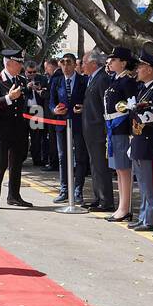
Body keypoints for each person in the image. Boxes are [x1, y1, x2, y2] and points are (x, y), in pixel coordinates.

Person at [0, 47, 33, 209]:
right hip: (1, 129)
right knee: (1, 163)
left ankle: (14, 196)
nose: (21, 65)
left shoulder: (21, 80)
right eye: (19, 62)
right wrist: (8, 98)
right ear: (10, 63)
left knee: (16, 163)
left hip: (18, 128)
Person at [102, 47, 140, 221]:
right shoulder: (115, 80)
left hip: (122, 127)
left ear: (123, 62)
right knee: (119, 169)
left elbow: (132, 107)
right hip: (113, 127)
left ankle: (125, 207)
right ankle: (122, 205)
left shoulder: (127, 81)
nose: (109, 62)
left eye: (114, 59)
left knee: (124, 169)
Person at [129, 50, 153, 232]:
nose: (138, 70)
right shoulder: (143, 89)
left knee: (152, 183)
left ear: (149, 69)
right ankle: (144, 216)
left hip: (149, 140)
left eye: (141, 66)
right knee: (142, 183)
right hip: (139, 139)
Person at [48, 52, 88, 203]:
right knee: (62, 156)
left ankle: (78, 190)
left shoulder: (83, 80)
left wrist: (84, 108)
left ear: (75, 64)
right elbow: (51, 102)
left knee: (79, 157)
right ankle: (64, 189)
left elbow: (88, 100)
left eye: (69, 62)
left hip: (78, 124)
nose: (65, 65)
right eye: (62, 62)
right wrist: (54, 110)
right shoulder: (56, 81)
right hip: (61, 124)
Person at [80, 49, 115, 212]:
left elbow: (105, 106)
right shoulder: (92, 78)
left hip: (99, 130)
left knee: (101, 166)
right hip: (90, 129)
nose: (82, 66)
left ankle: (106, 201)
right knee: (95, 166)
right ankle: (98, 197)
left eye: (84, 63)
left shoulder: (102, 79)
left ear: (94, 64)